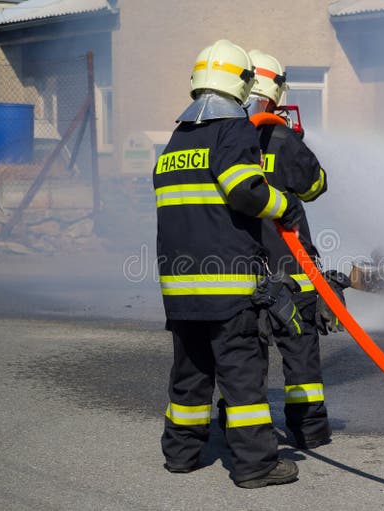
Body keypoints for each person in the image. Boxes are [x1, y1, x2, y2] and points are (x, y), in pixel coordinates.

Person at [155, 39, 306, 489]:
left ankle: (181, 454)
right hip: (227, 287)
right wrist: (284, 205)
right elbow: (245, 192)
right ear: (242, 84)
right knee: (242, 380)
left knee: (191, 375)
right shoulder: (233, 131)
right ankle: (256, 465)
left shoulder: (177, 139)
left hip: (181, 289)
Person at [240, 49, 338, 450]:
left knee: (246, 361)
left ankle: (244, 436)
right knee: (300, 359)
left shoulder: (225, 137)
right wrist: (293, 143)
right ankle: (309, 432)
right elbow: (316, 186)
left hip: (242, 271)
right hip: (292, 269)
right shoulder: (281, 139)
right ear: (274, 89)